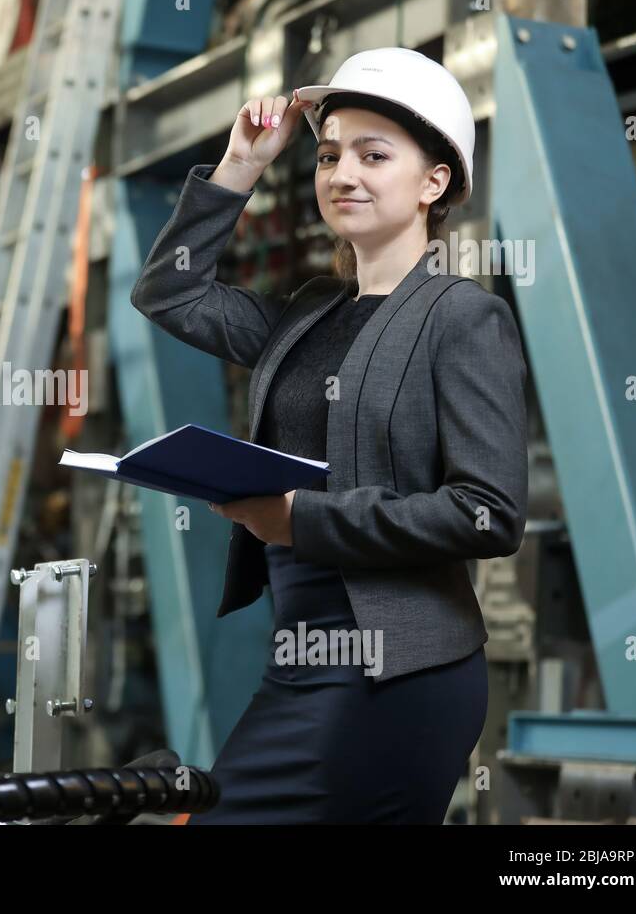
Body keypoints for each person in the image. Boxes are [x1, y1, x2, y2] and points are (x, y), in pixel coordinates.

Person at [131, 48, 528, 823]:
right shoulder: (304, 315)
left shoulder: (463, 318)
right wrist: (239, 167)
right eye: (330, 154)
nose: (343, 172)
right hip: (302, 653)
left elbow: (488, 511)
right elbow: (168, 290)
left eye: (374, 155)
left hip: (399, 670)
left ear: (433, 182)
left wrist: (300, 520)